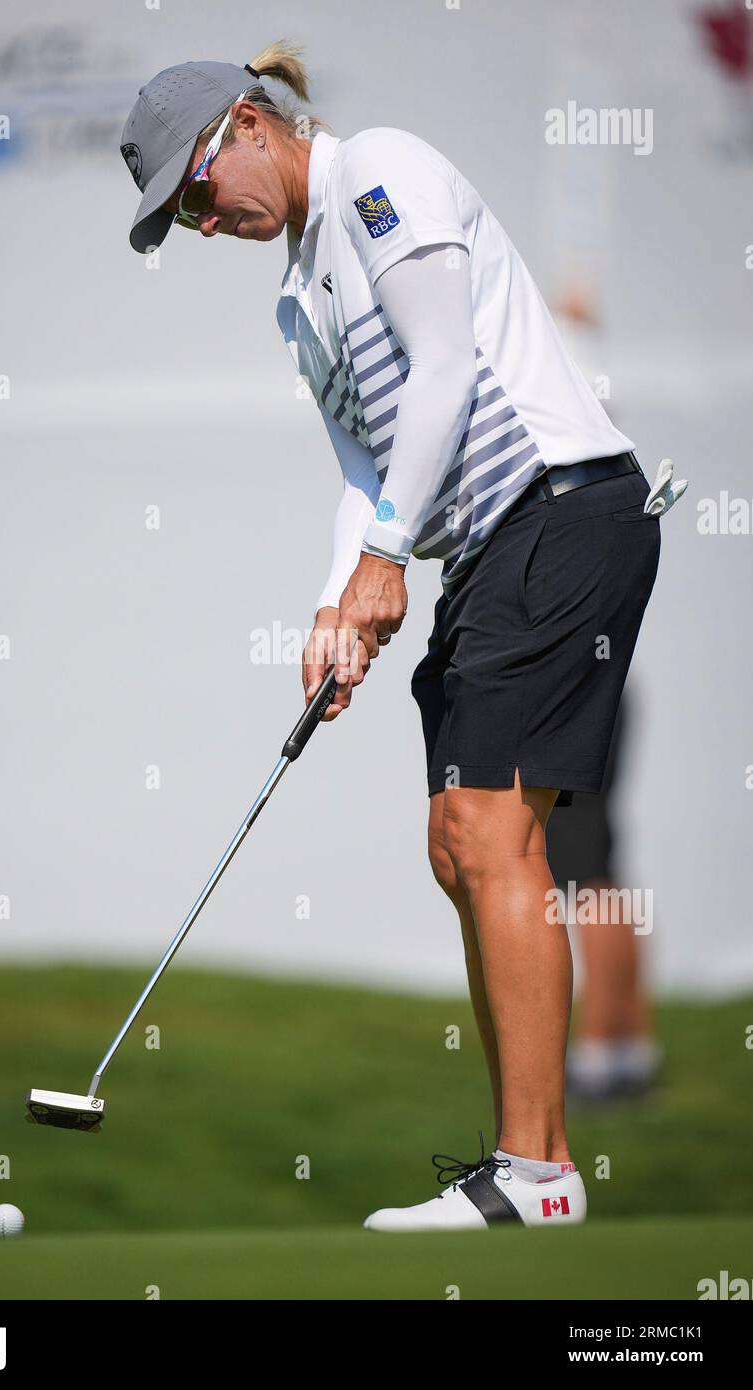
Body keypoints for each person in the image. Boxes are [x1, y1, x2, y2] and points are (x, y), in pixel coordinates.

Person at [119, 41, 684, 1232]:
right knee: (457, 843)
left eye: (197, 190)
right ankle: (527, 1164)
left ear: (247, 126)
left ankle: (537, 1177)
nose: (202, 220)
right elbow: (366, 465)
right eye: (180, 215)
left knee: (489, 832)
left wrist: (384, 560)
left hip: (559, 507)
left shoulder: (380, 172)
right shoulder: (298, 291)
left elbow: (442, 372)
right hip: (485, 552)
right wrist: (336, 606)